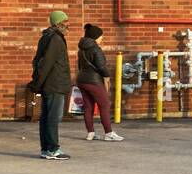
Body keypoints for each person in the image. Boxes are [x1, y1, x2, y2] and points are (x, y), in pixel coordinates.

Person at [29, 10, 73, 160]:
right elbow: (47, 64)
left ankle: (46, 149)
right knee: (53, 118)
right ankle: (53, 149)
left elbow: (38, 61)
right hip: (55, 84)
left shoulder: (47, 37)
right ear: (57, 23)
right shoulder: (55, 39)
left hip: (50, 84)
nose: (68, 24)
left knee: (46, 117)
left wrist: (37, 83)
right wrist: (37, 84)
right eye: (65, 22)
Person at [77, 23, 124, 141]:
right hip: (94, 81)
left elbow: (79, 66)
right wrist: (107, 76)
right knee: (105, 105)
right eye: (101, 36)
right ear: (95, 37)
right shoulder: (95, 49)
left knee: (88, 106)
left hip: (82, 80)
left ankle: (90, 133)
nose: (102, 38)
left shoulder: (81, 49)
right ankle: (109, 133)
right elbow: (101, 66)